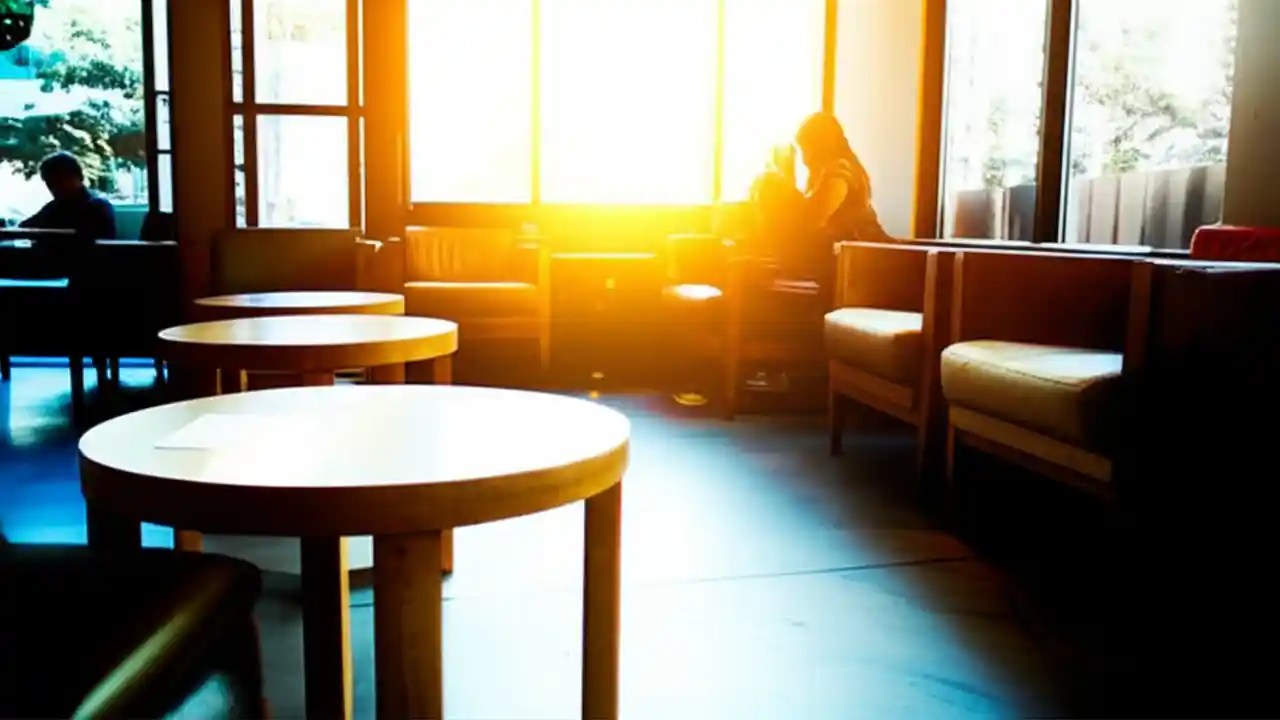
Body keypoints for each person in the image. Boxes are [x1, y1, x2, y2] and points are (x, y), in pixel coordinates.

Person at [739, 113, 894, 392]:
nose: (805, 158)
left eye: (807, 149)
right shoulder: (823, 172)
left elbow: (814, 219)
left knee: (770, 186)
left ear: (821, 144)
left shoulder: (839, 170)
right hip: (839, 255)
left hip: (860, 260)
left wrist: (782, 189)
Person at [19, 152, 117, 239]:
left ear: (77, 177)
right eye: (49, 183)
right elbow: (24, 228)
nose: (53, 188)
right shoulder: (54, 207)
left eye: (58, 181)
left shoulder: (97, 207)